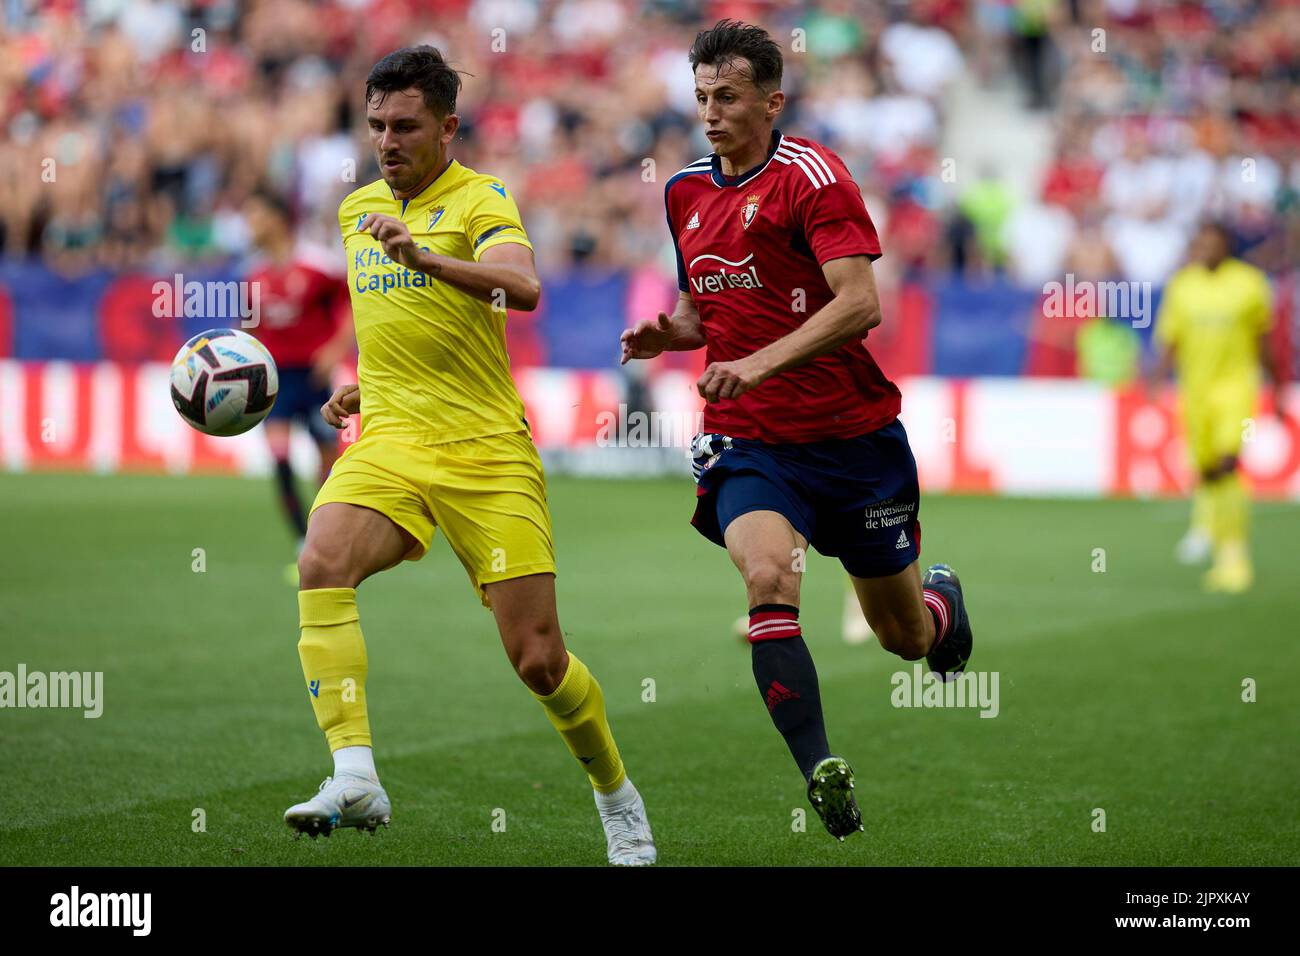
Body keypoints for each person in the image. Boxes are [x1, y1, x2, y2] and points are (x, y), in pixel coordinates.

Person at [284, 46, 655, 865]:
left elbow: (521, 290)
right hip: (389, 442)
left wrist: (425, 256)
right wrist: (360, 389)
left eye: (406, 125)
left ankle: (615, 794)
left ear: (447, 127)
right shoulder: (356, 213)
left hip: (486, 453)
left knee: (538, 659)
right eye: (376, 124)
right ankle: (355, 774)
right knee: (321, 562)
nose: (387, 139)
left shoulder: (481, 199)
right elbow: (392, 327)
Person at [621, 20, 974, 841]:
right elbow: (697, 310)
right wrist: (667, 336)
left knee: (904, 639)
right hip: (751, 440)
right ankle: (819, 767)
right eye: (701, 97)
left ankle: (942, 610)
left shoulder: (813, 177)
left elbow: (861, 304)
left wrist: (758, 361)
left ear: (773, 101)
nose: (710, 113)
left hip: (853, 439)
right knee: (769, 581)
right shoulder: (682, 192)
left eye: (729, 97)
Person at [1151, 221, 1281, 593]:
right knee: (1208, 472)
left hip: (1236, 389)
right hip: (1195, 393)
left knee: (1227, 464)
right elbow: (1171, 338)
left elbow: (1264, 339)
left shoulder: (1249, 284)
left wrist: (1278, 384)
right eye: (1201, 243)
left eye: (1214, 243)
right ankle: (1211, 534)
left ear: (1227, 246)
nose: (1206, 248)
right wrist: (1157, 376)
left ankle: (1234, 556)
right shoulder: (1183, 285)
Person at [242, 189, 353, 582]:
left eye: (254, 216)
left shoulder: (318, 264)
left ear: (275, 218)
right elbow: (249, 327)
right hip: (274, 380)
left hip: (314, 376)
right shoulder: (254, 274)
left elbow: (351, 305)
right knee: (280, 457)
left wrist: (334, 349)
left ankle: (330, 539)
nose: (248, 225)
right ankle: (303, 543)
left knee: (327, 465)